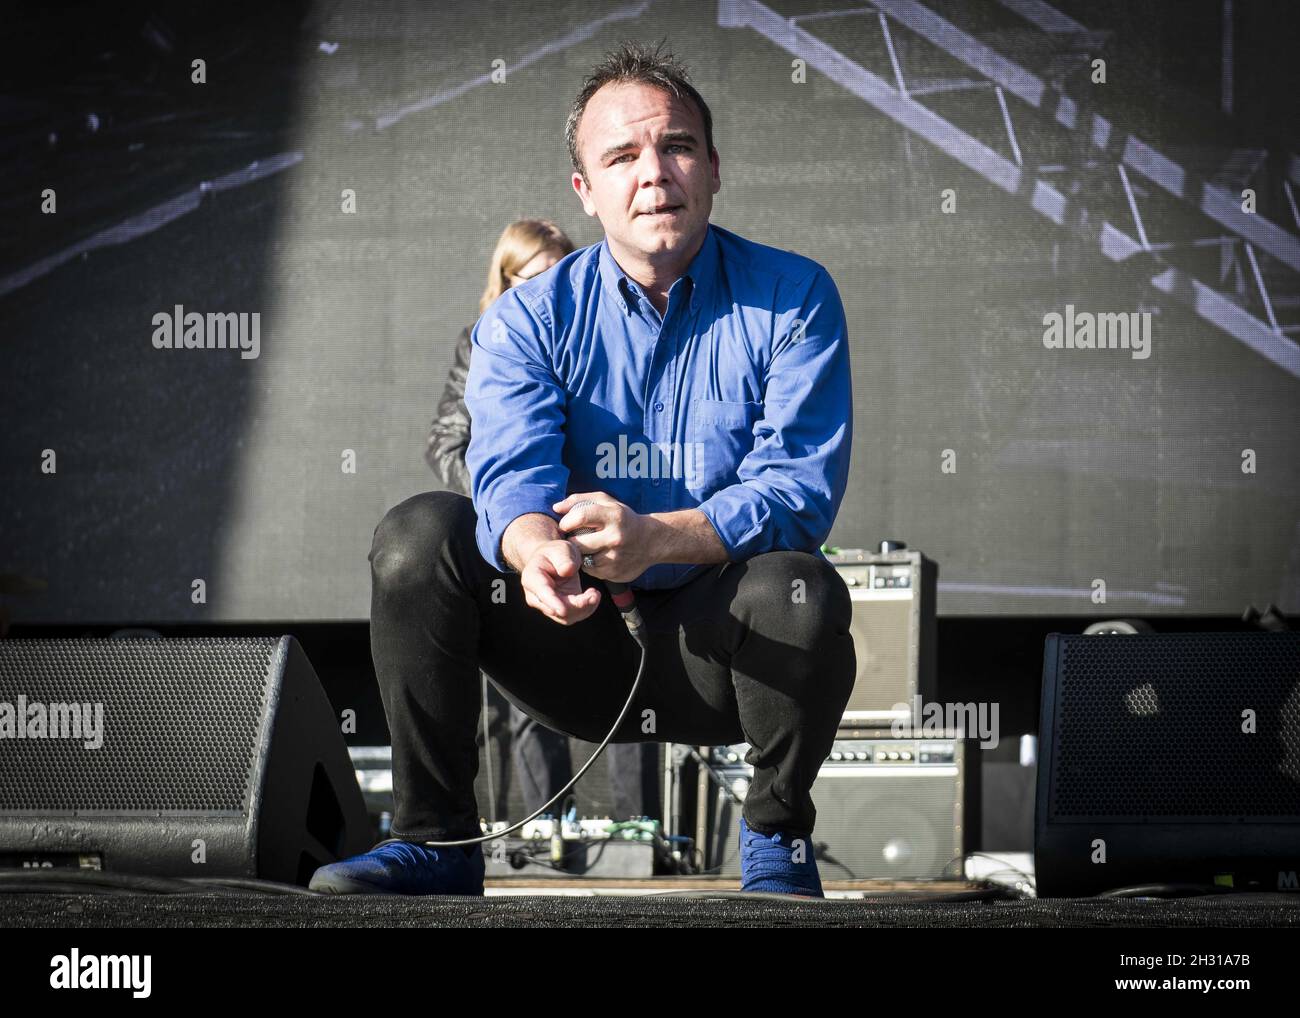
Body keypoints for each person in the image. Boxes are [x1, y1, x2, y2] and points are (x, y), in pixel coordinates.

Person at [311, 39, 855, 898]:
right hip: (571, 640)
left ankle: (776, 838)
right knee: (419, 534)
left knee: (801, 587)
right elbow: (509, 478)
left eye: (676, 147)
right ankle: (436, 843)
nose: (654, 174)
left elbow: (798, 490)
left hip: (717, 653)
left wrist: (656, 538)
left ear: (713, 167)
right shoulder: (525, 319)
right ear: (585, 191)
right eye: (621, 156)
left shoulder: (796, 294)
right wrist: (533, 550)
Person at [424, 217, 661, 827]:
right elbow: (448, 444)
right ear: (504, 283)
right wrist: (514, 506)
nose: (547, 288)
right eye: (532, 278)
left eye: (559, 272)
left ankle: (640, 830)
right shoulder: (483, 341)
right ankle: (546, 831)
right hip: (527, 538)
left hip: (601, 529)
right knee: (532, 690)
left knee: (637, 675)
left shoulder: (601, 331)